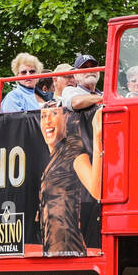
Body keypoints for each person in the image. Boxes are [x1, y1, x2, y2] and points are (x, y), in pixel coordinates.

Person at [37, 102, 102, 257]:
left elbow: (96, 190)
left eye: (54, 114)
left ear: (66, 117)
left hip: (66, 244)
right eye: (43, 116)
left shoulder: (71, 147)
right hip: (53, 246)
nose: (47, 121)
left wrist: (97, 137)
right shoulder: (54, 156)